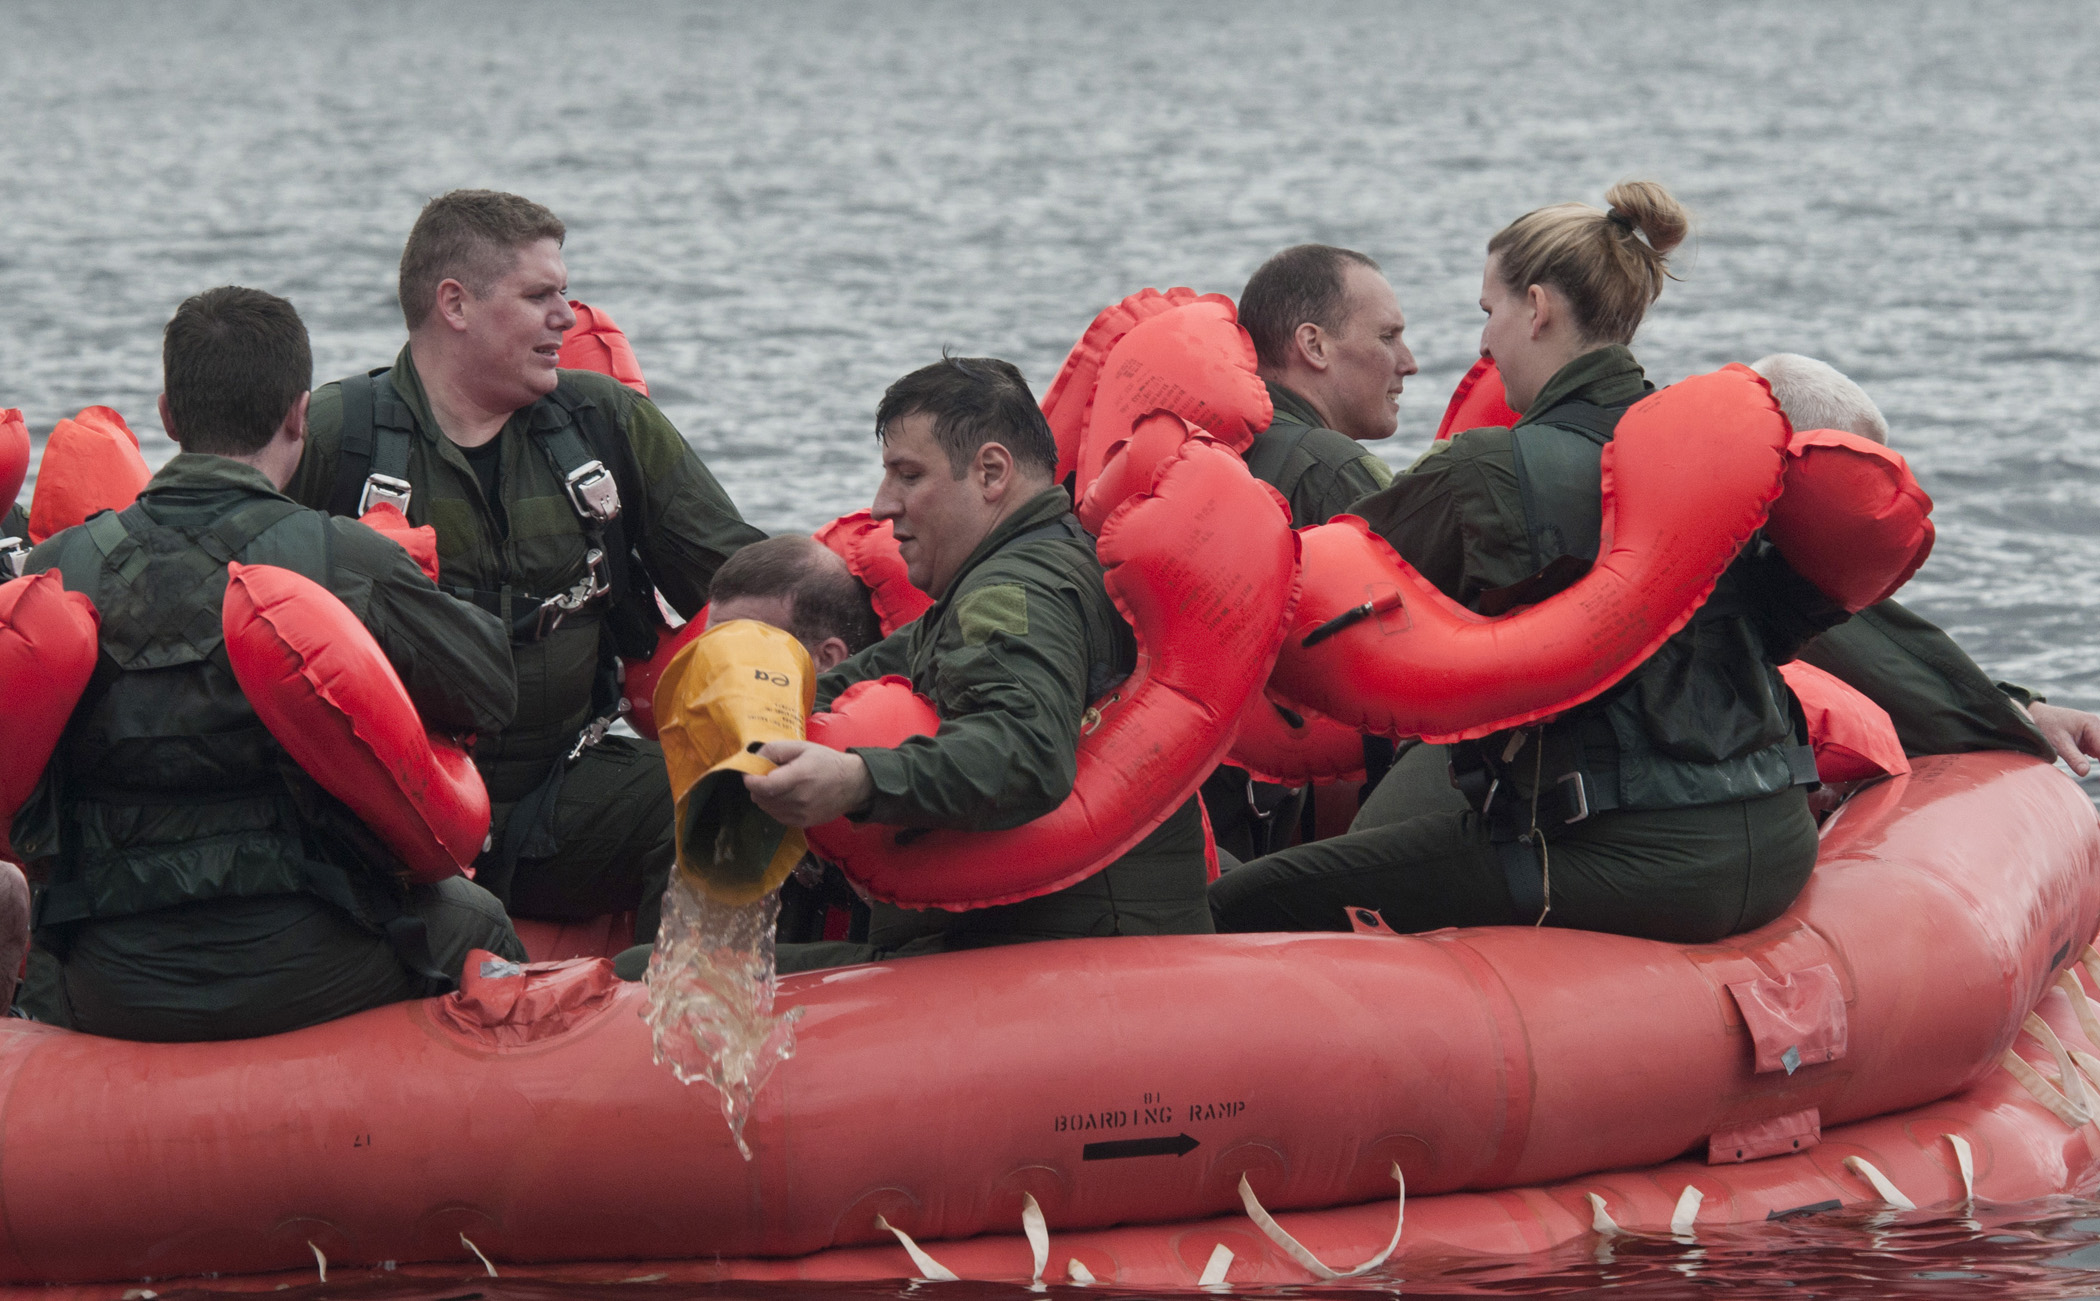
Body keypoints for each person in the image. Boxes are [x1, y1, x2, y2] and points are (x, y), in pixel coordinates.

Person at [1213, 181, 1846, 945]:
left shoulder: (1489, 473)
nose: (1482, 345)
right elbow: (1835, 623)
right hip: (1778, 834)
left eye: (1490, 313)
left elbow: (1302, 601)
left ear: (1538, 308)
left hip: (1629, 860)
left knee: (1243, 905)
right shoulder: (1728, 456)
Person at [12, 287, 522, 1041]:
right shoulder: (344, 559)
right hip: (307, 960)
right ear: (299, 415)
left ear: (168, 416)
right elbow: (491, 691)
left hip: (112, 972)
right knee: (478, 920)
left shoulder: (56, 572)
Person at [284, 191, 765, 946]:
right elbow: (221, 573)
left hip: (562, 795)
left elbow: (750, 583)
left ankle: (672, 1027)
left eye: (565, 295)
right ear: (456, 304)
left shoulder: (604, 424)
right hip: (382, 816)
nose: (567, 318)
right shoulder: (336, 436)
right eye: (540, 295)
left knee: (714, 799)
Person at [745, 357, 1214, 972]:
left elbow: (1024, 749)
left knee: (644, 975)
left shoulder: (1016, 592)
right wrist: (748, 719)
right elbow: (869, 670)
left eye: (907, 476)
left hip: (1063, 954)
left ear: (991, 472)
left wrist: (855, 780)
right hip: (1051, 938)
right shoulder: (1030, 567)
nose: (883, 505)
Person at [1751, 354, 2100, 776]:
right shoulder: (1762, 576)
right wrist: (2015, 723)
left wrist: (2020, 705)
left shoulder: (1706, 537)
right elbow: (1892, 677)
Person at [1205, 246, 1420, 859]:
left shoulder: (1216, 448)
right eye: (1388, 336)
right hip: (1253, 806)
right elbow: (1418, 641)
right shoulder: (1332, 471)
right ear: (1314, 346)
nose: (1409, 362)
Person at [608, 534, 885, 980]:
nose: (725, 676)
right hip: (806, 946)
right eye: (718, 651)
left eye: (750, 650)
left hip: (896, 974)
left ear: (828, 659)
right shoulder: (722, 748)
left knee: (633, 972)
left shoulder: (887, 738)